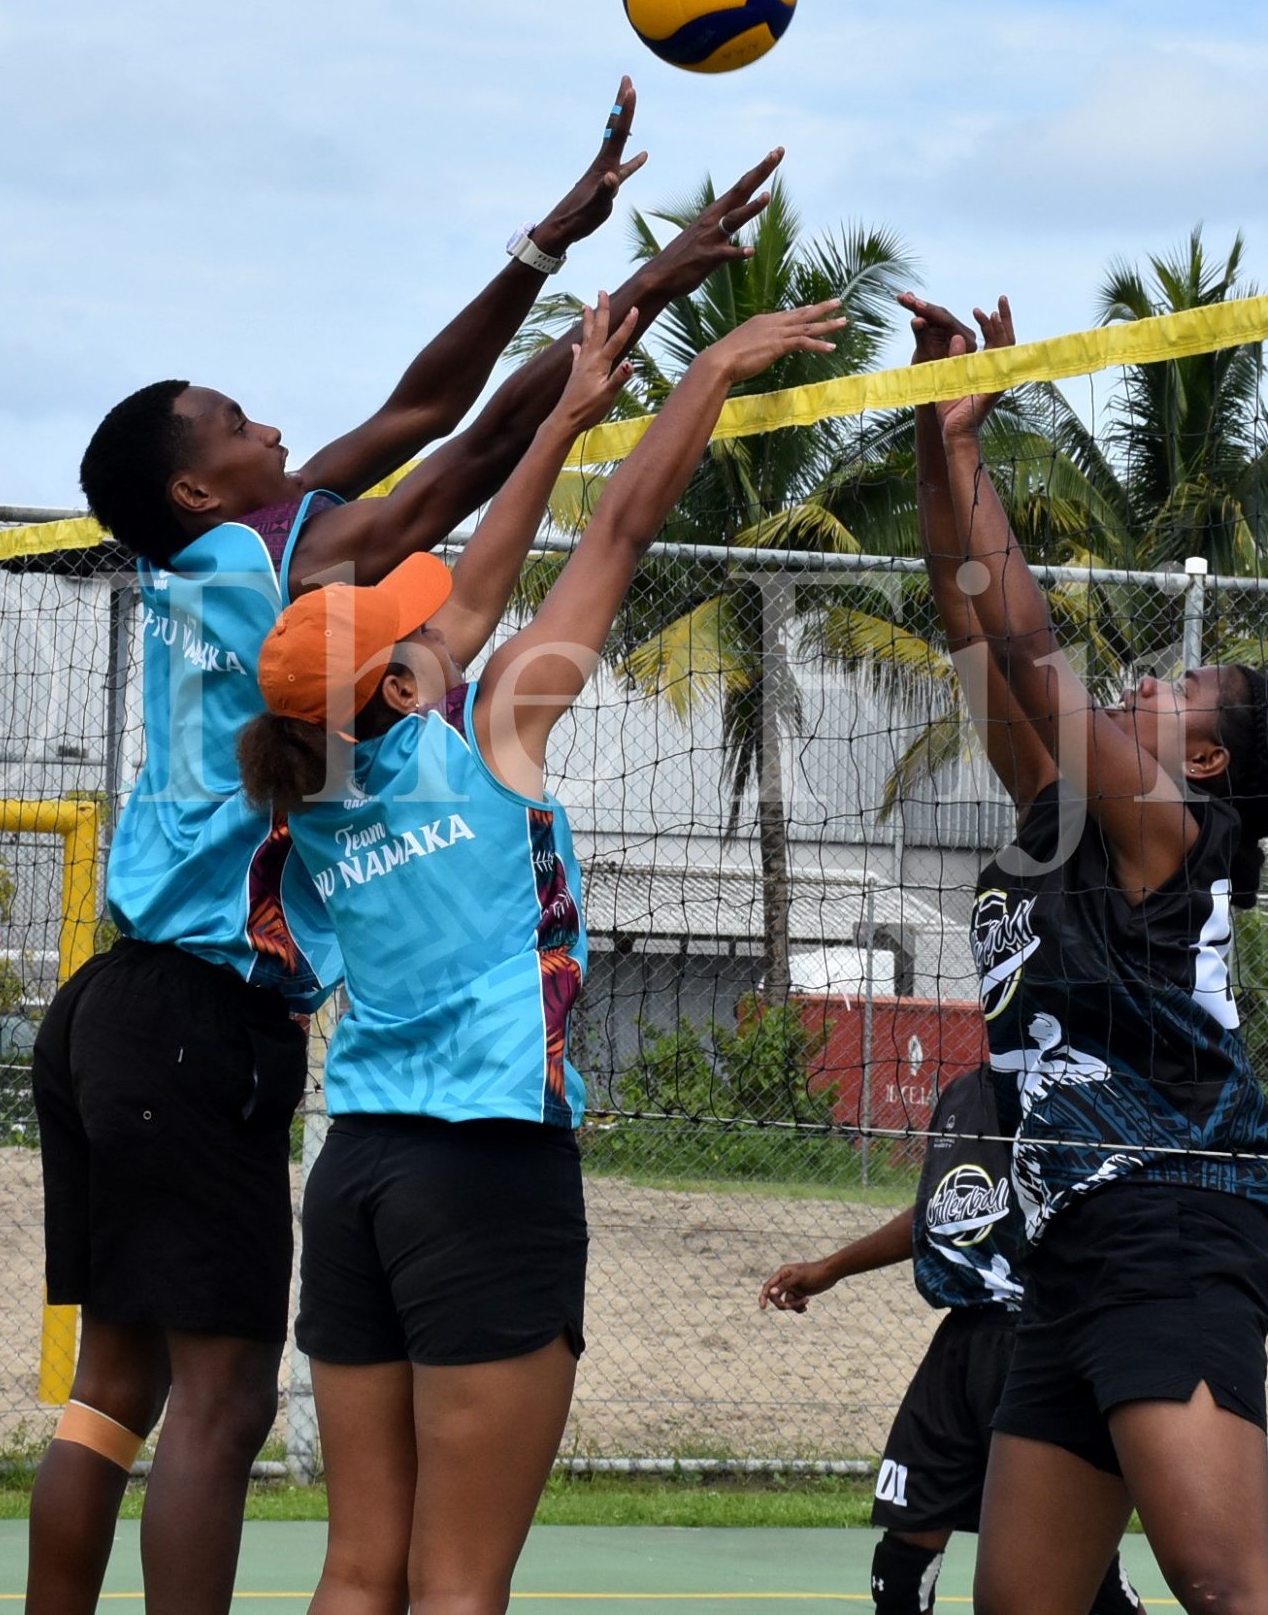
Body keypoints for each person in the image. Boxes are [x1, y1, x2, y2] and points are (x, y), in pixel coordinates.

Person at [31, 83, 779, 1615]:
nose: (282, 426)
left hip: (156, 1032)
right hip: (239, 1043)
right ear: (199, 486)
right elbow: (476, 458)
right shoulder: (297, 578)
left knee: (121, 1393)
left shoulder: (246, 630)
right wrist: (634, 311)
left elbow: (440, 430)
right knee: (229, 1412)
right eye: (243, 422)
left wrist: (547, 249)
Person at [237, 295, 845, 1615]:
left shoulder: (308, 791)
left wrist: (565, 413)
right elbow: (620, 527)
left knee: (359, 1566)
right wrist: (717, 370)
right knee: (458, 1583)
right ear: (402, 685)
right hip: (484, 1169)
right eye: (408, 631)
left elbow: (468, 599)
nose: (434, 616)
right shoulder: (490, 729)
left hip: (357, 1175)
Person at [897, 293, 1268, 1615]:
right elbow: (973, 631)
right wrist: (935, 432)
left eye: (1179, 687)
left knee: (1216, 1575)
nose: (1145, 674)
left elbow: (1027, 639)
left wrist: (978, 453)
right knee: (1021, 1602)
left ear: (1204, 760)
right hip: (1069, 1232)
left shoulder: (1166, 827)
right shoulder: (1063, 814)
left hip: (1175, 1212)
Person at [758, 1070, 1141, 1615]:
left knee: (1077, 1573)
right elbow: (941, 1212)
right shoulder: (965, 1093)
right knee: (900, 1560)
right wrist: (832, 1268)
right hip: (962, 1341)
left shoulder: (1087, 1086)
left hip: (1041, 1341)